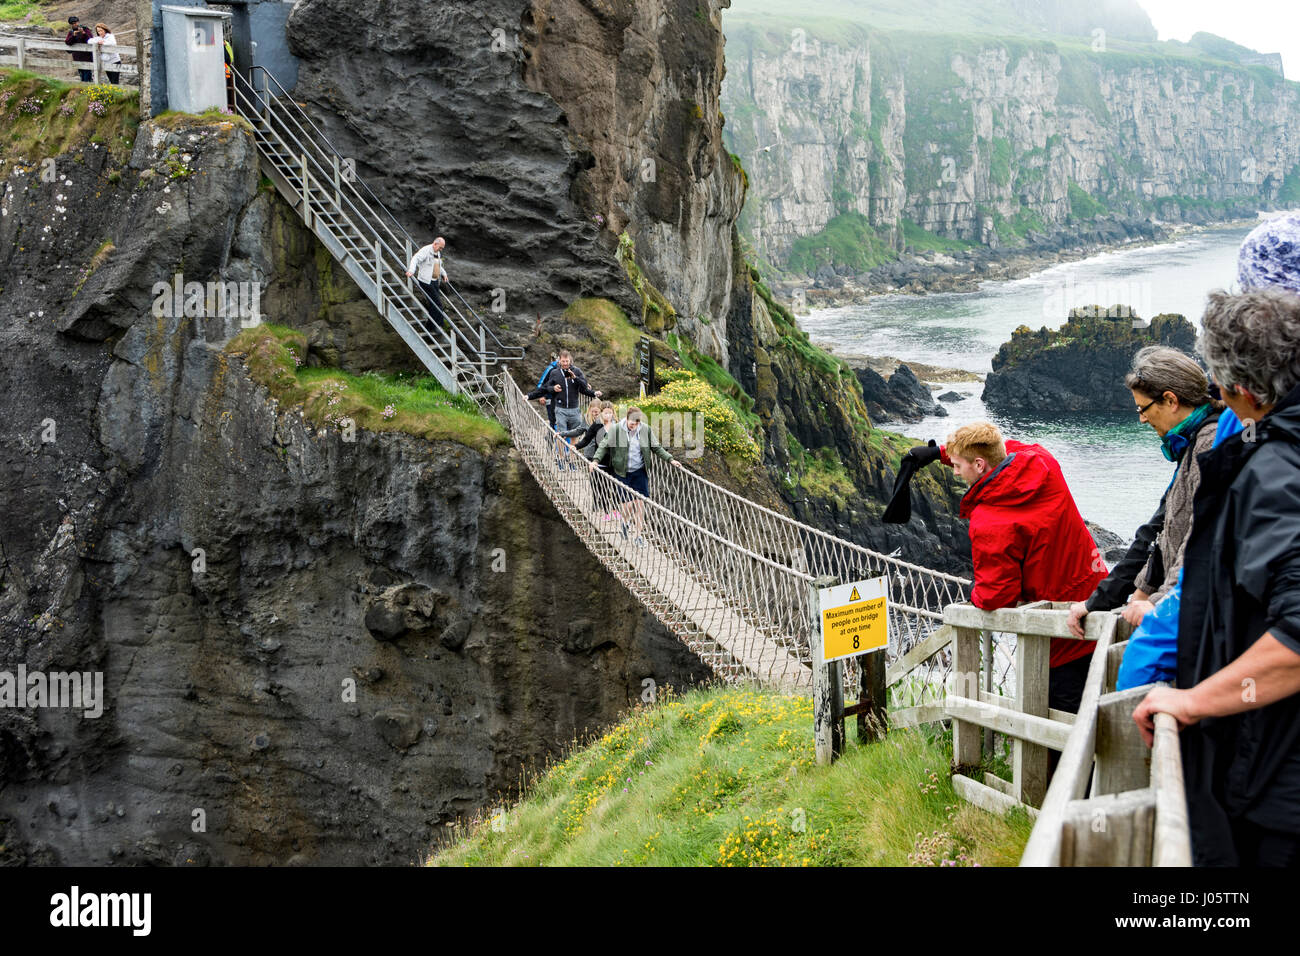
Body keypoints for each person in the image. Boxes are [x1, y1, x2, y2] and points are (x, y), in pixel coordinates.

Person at [1132, 287, 1300, 866]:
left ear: (1241, 389)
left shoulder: (1278, 472)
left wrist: (1196, 701)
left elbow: (1296, 641)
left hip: (1280, 786)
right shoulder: (1268, 452)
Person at [907, 421, 1106, 713]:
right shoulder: (1042, 462)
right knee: (1104, 710)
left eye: (958, 465)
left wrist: (976, 590)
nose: (954, 471)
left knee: (1062, 726)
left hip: (1062, 632)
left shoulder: (992, 521)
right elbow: (1003, 448)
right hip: (1100, 599)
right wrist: (940, 452)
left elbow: (997, 596)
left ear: (978, 464)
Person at [1066, 346, 1222, 654]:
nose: (1141, 419)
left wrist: (1158, 603)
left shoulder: (1209, 445)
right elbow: (1160, 530)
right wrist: (1111, 598)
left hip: (1192, 621)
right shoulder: (1194, 444)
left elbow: (1201, 539)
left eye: (1143, 408)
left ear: (1170, 400)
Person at [589, 406, 682, 546]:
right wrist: (595, 461)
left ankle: (638, 536)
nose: (634, 426)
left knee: (639, 504)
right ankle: (625, 522)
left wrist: (670, 459)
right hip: (622, 472)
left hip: (639, 471)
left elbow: (656, 447)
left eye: (637, 424)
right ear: (627, 419)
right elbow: (603, 445)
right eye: (632, 424)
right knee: (627, 505)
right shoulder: (616, 429)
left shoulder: (645, 430)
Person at [535, 350, 600, 438]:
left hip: (570, 405)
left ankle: (565, 449)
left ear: (570, 360)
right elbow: (543, 384)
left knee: (569, 430)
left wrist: (586, 386)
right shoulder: (551, 369)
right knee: (554, 424)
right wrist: (543, 395)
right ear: (559, 361)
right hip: (551, 400)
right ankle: (551, 445)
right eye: (563, 361)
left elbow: (582, 386)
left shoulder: (574, 370)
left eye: (567, 361)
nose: (565, 363)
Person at [575, 402, 619, 520]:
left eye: (610, 413)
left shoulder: (618, 426)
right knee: (602, 487)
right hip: (600, 460)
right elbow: (586, 439)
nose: (608, 415)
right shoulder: (596, 426)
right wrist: (576, 447)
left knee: (616, 487)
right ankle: (606, 513)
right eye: (605, 413)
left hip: (614, 462)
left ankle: (615, 510)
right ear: (601, 413)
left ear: (613, 413)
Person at [405, 237, 451, 330]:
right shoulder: (425, 250)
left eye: (442, 248)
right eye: (440, 247)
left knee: (434, 304)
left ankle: (431, 326)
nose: (441, 250)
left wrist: (444, 274)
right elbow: (415, 259)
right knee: (437, 304)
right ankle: (436, 326)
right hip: (426, 281)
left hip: (434, 281)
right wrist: (411, 270)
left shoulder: (436, 252)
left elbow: (438, 265)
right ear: (435, 244)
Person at [65, 17, 94, 83]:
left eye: (76, 22)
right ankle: (84, 89)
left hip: (87, 57)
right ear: (71, 24)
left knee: (87, 75)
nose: (75, 24)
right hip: (77, 57)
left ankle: (88, 89)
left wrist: (83, 33)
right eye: (73, 23)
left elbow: (90, 39)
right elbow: (67, 42)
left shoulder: (86, 29)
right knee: (82, 75)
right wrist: (73, 35)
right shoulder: (71, 32)